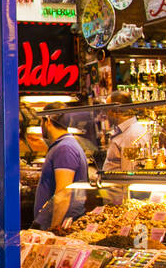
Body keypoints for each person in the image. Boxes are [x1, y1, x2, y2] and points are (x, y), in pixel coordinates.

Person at [32, 103, 88, 231]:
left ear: (48, 121)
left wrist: (53, 230)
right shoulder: (63, 145)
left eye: (41, 121)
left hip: (60, 225)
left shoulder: (64, 148)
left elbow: (64, 193)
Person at [101, 90, 149, 205]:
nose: (106, 113)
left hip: (121, 200)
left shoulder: (132, 134)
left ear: (117, 110)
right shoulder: (124, 131)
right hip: (113, 197)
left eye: (108, 109)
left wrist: (126, 204)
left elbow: (130, 175)